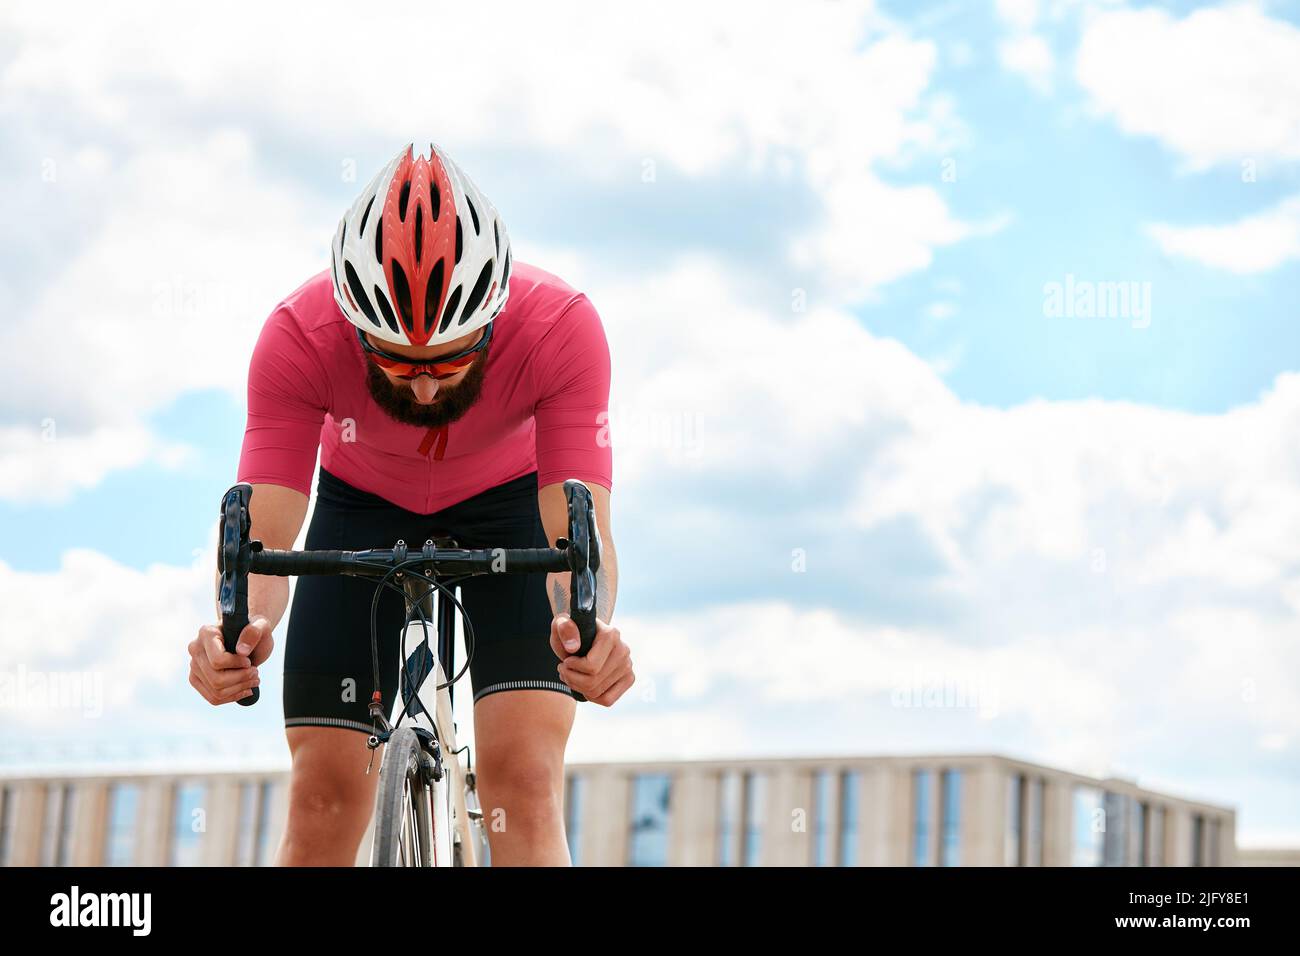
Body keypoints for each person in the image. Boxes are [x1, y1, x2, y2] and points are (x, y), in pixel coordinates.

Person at [187, 142, 632, 866]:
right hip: (361, 504)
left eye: (450, 361)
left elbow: (579, 535)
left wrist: (589, 627)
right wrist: (242, 629)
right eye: (394, 362)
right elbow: (262, 541)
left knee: (523, 790)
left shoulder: (561, 328)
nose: (424, 388)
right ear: (350, 326)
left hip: (511, 504)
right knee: (321, 802)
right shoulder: (298, 336)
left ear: (493, 318)